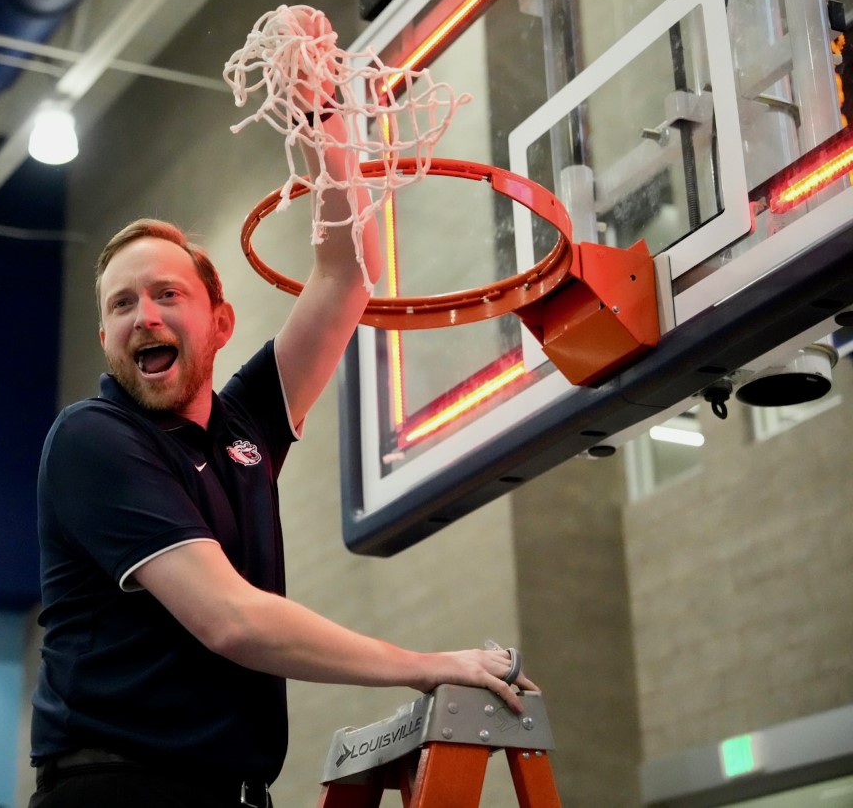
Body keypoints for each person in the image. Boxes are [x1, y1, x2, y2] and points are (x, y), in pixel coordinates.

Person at [29, 39, 535, 808]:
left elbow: (347, 273)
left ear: (221, 320)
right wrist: (422, 661)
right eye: (122, 304)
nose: (144, 316)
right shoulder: (94, 439)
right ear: (105, 339)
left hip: (232, 790)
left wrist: (320, 118)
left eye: (165, 294)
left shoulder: (244, 426)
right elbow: (230, 619)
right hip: (116, 788)